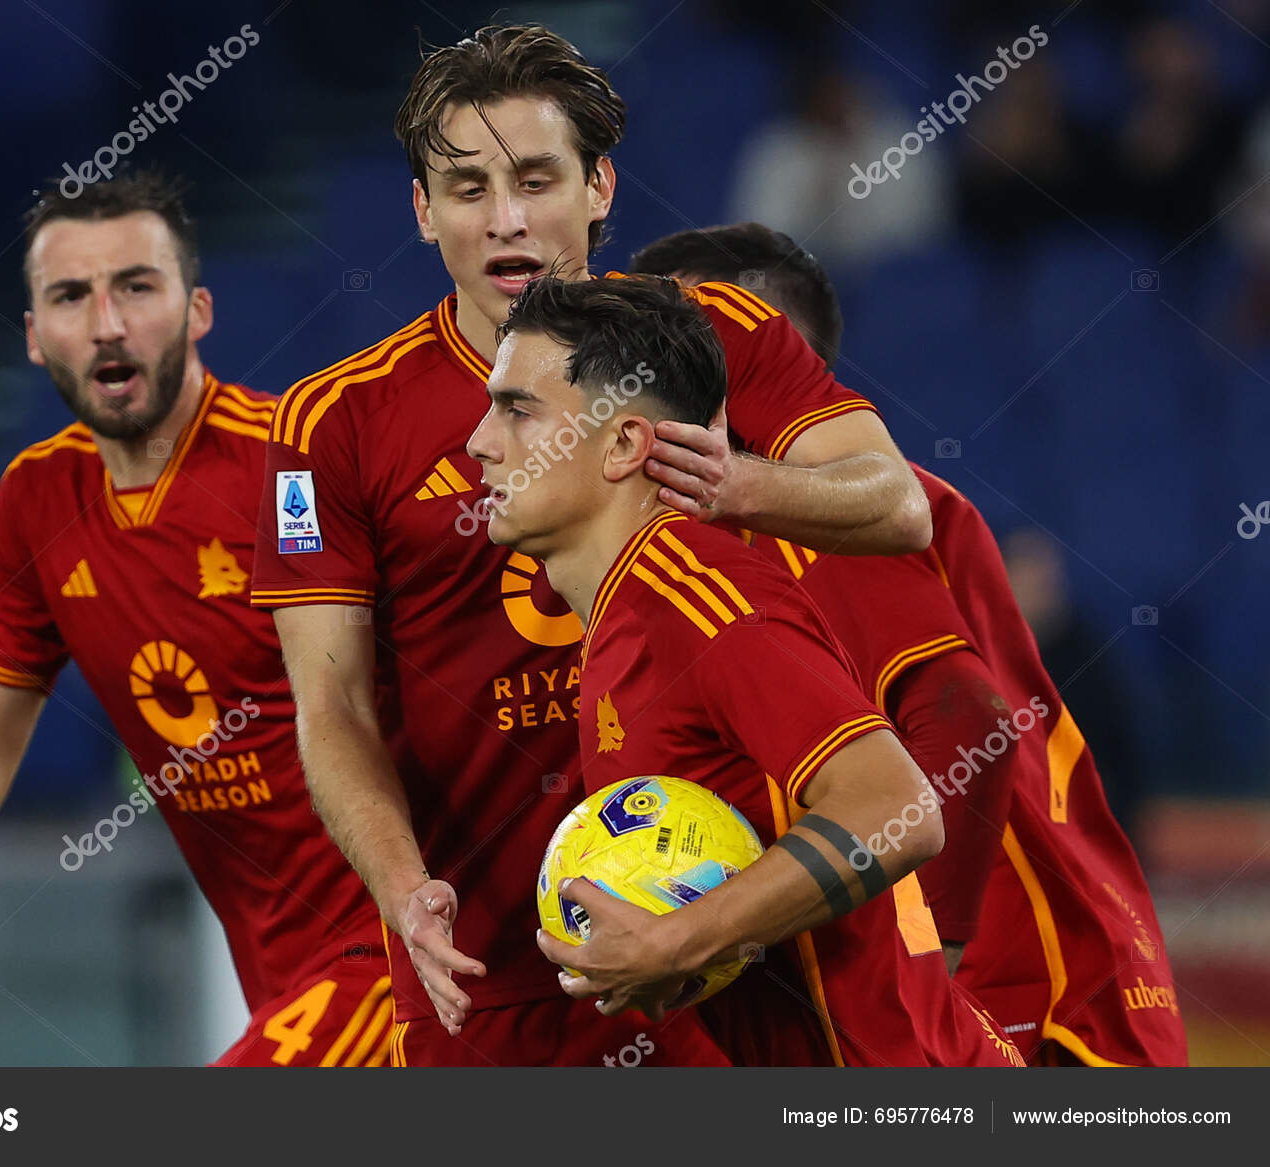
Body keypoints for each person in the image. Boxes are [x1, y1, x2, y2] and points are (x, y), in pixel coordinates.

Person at [251, 23, 933, 1066]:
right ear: (424, 211)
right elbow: (330, 706)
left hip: (724, 950)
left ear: (599, 187)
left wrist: (738, 482)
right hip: (489, 974)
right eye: (469, 190)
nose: (509, 221)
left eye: (537, 178)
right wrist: (400, 886)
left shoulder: (711, 336)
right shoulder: (328, 425)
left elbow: (895, 504)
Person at [629, 222, 1188, 1066]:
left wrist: (927, 971)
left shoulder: (796, 517)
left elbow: (971, 721)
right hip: (1081, 978)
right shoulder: (841, 506)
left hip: (1026, 1008)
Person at [0, 170, 391, 1067]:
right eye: (71, 297)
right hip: (280, 975)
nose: (108, 323)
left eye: (136, 286)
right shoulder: (35, 502)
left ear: (198, 310)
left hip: (398, 940)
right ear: (36, 338)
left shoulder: (292, 470)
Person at [467, 273, 1021, 1066]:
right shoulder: (628, 614)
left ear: (624, 444)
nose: (479, 441)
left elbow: (898, 806)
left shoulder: (696, 592)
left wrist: (676, 939)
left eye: (518, 410)